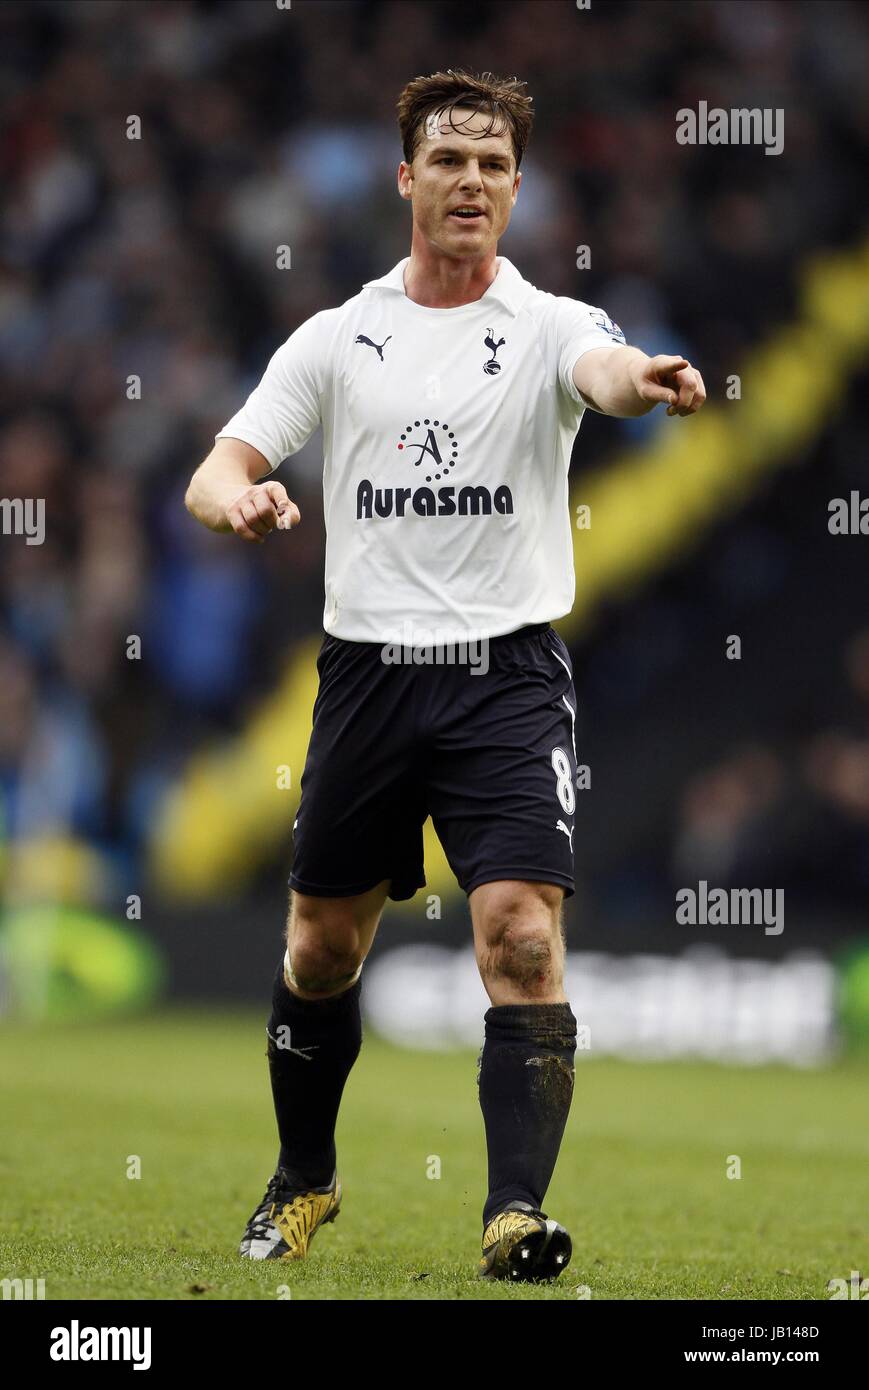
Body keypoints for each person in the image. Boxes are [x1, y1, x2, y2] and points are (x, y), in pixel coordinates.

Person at [185, 67, 705, 1282]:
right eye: (447, 159)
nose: (468, 180)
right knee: (320, 949)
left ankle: (512, 1212)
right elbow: (220, 462)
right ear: (404, 176)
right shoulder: (336, 334)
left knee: (519, 935)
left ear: (517, 187)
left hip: (505, 676)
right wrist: (238, 498)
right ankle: (304, 1178)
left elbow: (607, 374)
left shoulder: (549, 324)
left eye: (490, 164)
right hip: (368, 677)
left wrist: (649, 382)